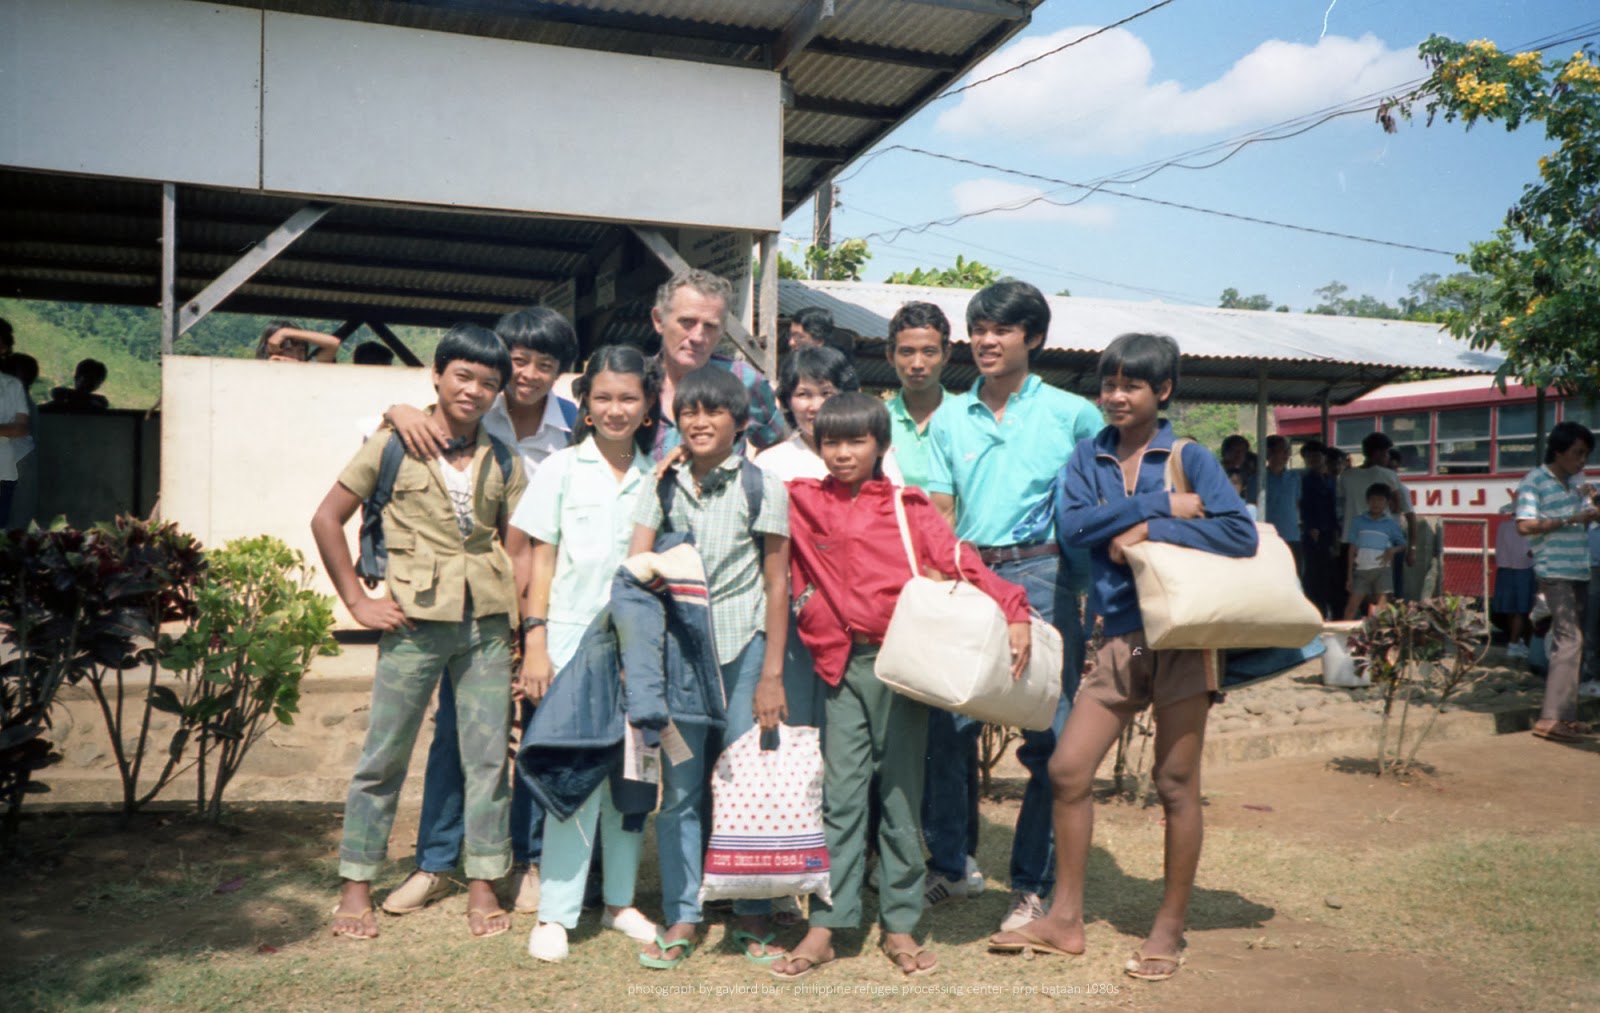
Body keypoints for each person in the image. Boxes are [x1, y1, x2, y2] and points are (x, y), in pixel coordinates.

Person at [991, 331, 1255, 981]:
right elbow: (1075, 527)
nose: (1115, 396)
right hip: (1120, 638)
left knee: (1175, 782)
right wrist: (1159, 506)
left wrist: (1146, 529)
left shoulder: (1190, 455)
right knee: (1068, 768)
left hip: (1184, 638)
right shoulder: (1089, 455)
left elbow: (1239, 533)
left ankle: (1168, 928)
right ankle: (1065, 920)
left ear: (1162, 390)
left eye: (1130, 385)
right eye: (1108, 384)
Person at [770, 392, 1031, 981]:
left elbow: (960, 559)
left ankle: (900, 923)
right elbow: (744, 491)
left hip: (901, 667)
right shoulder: (800, 499)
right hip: (840, 670)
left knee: (899, 797)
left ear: (881, 445)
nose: (842, 453)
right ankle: (826, 926)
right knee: (839, 799)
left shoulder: (907, 505)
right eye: (831, 442)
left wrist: (1013, 607)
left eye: (856, 441)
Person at [310, 324, 527, 941]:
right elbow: (326, 518)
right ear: (436, 375)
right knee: (384, 757)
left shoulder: (503, 458)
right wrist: (357, 600)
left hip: (485, 626)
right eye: (463, 376)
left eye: (488, 383)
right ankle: (356, 886)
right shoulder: (392, 443)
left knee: (487, 760)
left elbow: (518, 548)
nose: (474, 390)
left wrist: (520, 629)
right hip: (412, 623)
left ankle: (483, 882)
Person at [380, 305, 579, 919]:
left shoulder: (575, 427)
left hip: (555, 599)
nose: (529, 374)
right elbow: (395, 427)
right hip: (476, 606)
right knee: (457, 736)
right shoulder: (474, 409)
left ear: (561, 372)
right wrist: (398, 408)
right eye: (519, 361)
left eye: (545, 364)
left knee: (540, 734)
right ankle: (436, 862)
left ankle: (528, 861)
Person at [923, 279, 1102, 933]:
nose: (986, 340)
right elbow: (940, 514)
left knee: (1051, 740)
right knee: (947, 732)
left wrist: (1090, 596)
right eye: (978, 329)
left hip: (1045, 575)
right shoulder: (948, 417)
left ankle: (1032, 886)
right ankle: (950, 864)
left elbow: (1097, 507)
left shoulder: (1074, 415)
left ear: (1035, 337)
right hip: (968, 574)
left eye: (1000, 329)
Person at [628, 365, 791, 968]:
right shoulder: (661, 484)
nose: (699, 422)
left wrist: (771, 674)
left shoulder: (763, 487)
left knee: (746, 786)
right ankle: (683, 916)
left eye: (713, 411)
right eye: (689, 412)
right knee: (679, 793)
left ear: (740, 423)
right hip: (680, 660)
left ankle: (751, 915)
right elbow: (637, 570)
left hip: (744, 653)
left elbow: (777, 584)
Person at [513, 345, 661, 962]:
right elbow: (541, 560)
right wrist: (535, 642)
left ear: (648, 407)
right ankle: (556, 913)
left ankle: (620, 901)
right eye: (603, 397)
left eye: (629, 398)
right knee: (573, 771)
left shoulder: (659, 475)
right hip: (571, 640)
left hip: (638, 646)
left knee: (632, 775)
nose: (615, 409)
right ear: (587, 405)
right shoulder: (561, 469)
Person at [1513, 421, 1599, 743]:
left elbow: (1583, 522)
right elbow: (1524, 525)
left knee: (1576, 640)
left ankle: (1566, 717)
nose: (1582, 461)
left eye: (1586, 454)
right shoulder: (1534, 481)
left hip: (1579, 568)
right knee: (1569, 639)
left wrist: (1591, 508)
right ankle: (1551, 718)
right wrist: (1569, 519)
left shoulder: (1576, 483)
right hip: (1555, 570)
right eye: (1578, 453)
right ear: (1559, 451)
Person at [650, 269, 785, 461]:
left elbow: (775, 442)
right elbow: (618, 454)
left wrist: (750, 474)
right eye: (687, 322)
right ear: (659, 320)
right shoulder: (632, 383)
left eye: (710, 326)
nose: (697, 337)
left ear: (722, 330)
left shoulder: (743, 381)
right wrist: (634, 463)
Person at [754, 345, 859, 484]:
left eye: (826, 393)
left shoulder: (871, 458)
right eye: (803, 394)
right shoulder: (770, 464)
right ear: (788, 401)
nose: (816, 407)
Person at [1338, 432, 1417, 597]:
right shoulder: (1388, 475)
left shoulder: (1346, 476)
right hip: (1380, 541)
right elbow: (1396, 506)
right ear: (1378, 453)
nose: (1387, 457)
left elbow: (1341, 503)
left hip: (1352, 540)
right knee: (1383, 590)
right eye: (1386, 453)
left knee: (1357, 589)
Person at [883, 301, 951, 492]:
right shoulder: (875, 421)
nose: (917, 364)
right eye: (907, 352)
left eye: (929, 352)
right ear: (890, 356)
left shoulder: (968, 419)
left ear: (946, 355)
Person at [1343, 484, 1408, 620]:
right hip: (1361, 571)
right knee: (1351, 608)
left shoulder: (1390, 524)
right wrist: (1349, 576)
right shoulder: (1358, 521)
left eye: (1380, 500)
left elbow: (1403, 544)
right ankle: (1345, 633)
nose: (1376, 503)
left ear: (1387, 503)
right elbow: (1352, 548)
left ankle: (1378, 633)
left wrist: (1393, 550)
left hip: (1382, 571)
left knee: (1381, 610)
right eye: (1373, 500)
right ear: (1367, 501)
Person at [1297, 440, 1339, 617]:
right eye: (1309, 457)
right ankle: (1316, 611)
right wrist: (1311, 526)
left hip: (1330, 531)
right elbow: (1304, 506)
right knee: (1314, 574)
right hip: (1313, 533)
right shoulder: (1304, 480)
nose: (1313, 460)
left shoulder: (1329, 480)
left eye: (1317, 456)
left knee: (1329, 574)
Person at [1493, 494, 1536, 659]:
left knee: (1511, 610)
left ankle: (1516, 642)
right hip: (1523, 570)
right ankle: (1514, 643)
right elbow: (1530, 552)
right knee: (1521, 610)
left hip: (1504, 570)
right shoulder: (1527, 529)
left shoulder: (1503, 526)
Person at [1262, 436, 1301, 564]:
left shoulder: (1294, 477)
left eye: (1287, 451)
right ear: (1269, 453)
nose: (1286, 454)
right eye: (1282, 450)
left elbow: (1296, 504)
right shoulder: (1258, 479)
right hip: (1269, 537)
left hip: (1292, 536)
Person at [255, 320, 341, 362]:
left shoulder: (308, 369)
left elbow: (333, 343)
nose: (296, 356)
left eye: (301, 350)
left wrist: (285, 332)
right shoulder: (258, 371)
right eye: (289, 350)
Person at [44, 358, 110, 412]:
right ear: (77, 376)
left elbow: (56, 392)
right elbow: (56, 392)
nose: (92, 383)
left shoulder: (98, 402)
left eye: (97, 381)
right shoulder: (97, 401)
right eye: (89, 378)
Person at [1220, 435, 1259, 503]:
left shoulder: (1249, 473)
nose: (1238, 454)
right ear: (1225, 451)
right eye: (1234, 450)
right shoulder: (1216, 472)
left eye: (1242, 451)